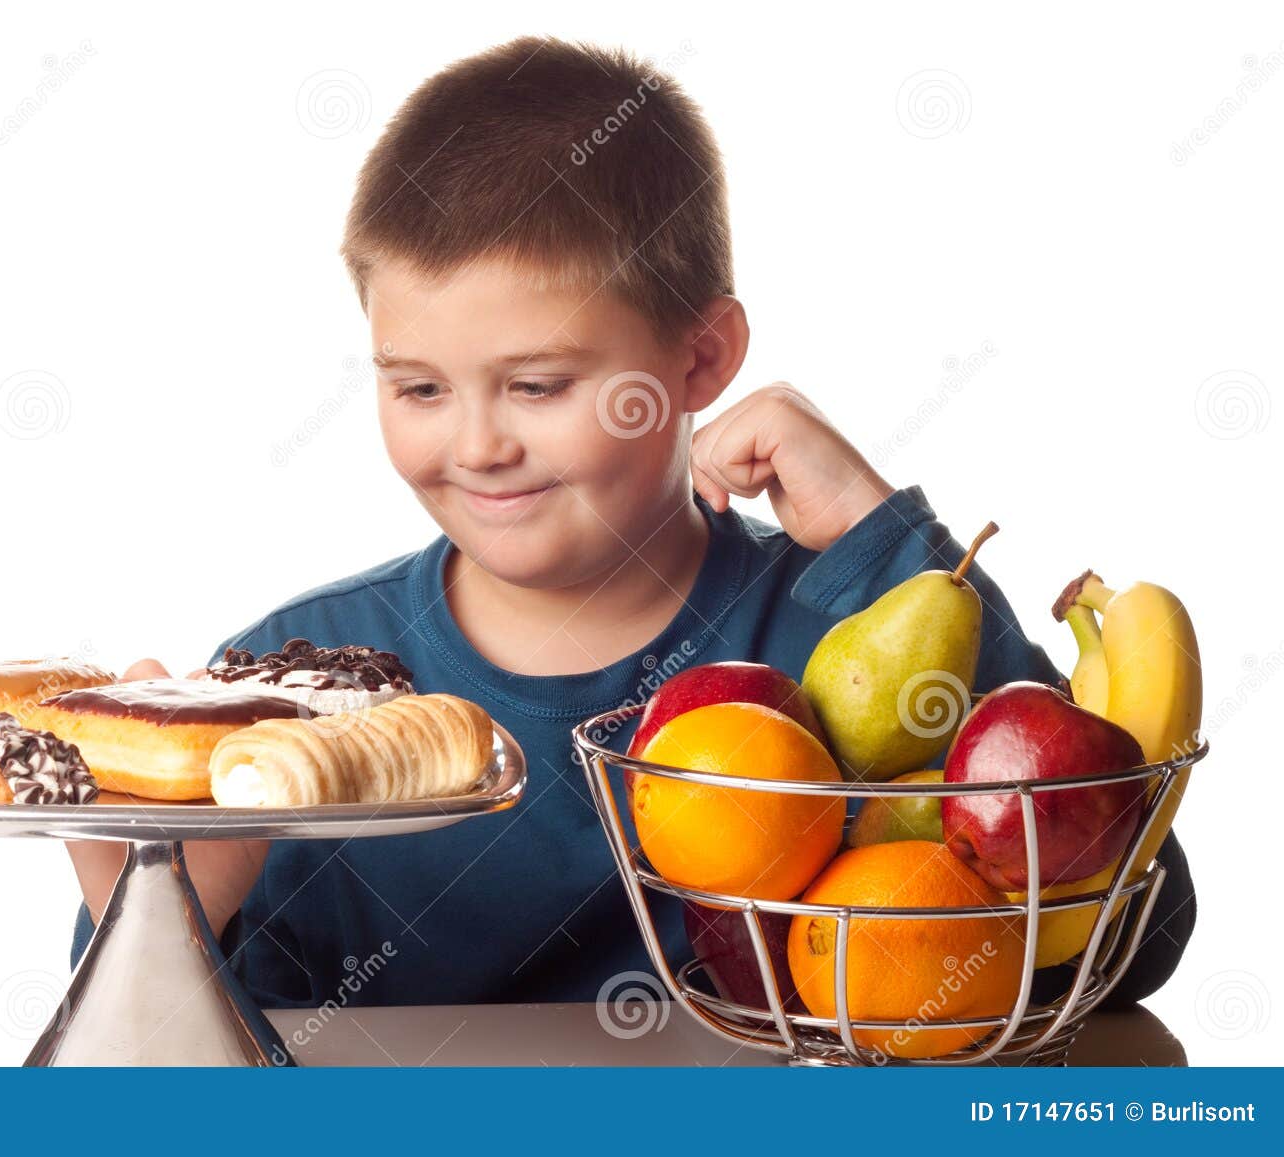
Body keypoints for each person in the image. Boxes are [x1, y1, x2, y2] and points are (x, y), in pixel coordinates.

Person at [66, 37, 1193, 1013]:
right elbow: (148, 1070)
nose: (473, 446)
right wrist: (158, 905)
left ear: (698, 359)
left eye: (538, 385)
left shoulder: (826, 629)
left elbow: (1133, 936)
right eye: (417, 388)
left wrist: (885, 550)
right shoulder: (291, 699)